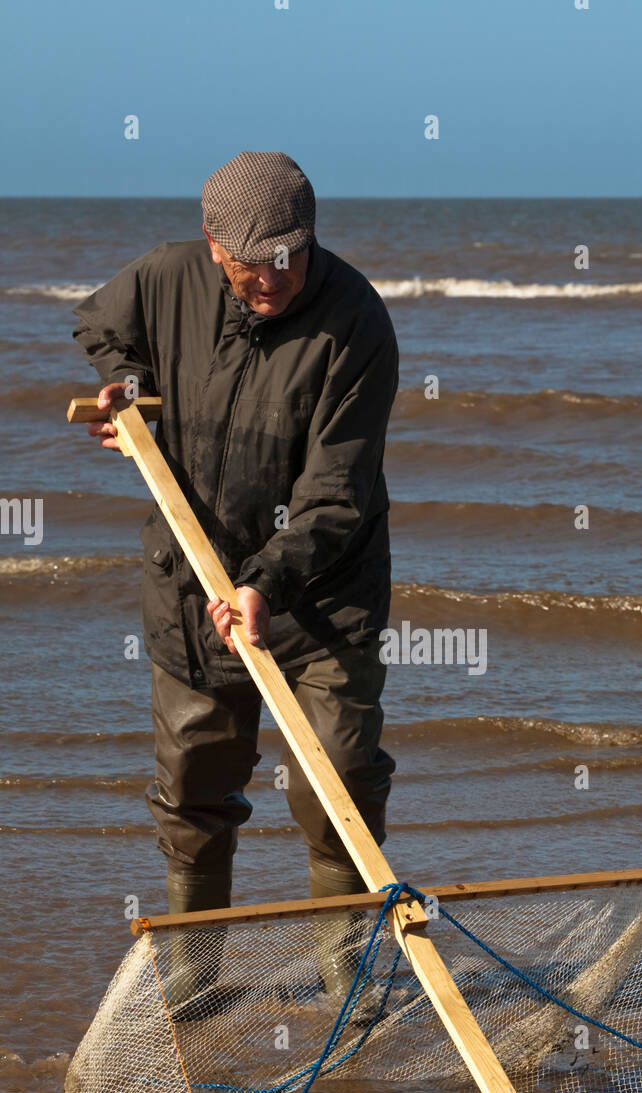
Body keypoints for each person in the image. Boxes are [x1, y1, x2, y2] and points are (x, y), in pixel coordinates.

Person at [73, 151, 398, 1010]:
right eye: (255, 266)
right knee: (193, 790)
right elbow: (99, 325)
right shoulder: (165, 277)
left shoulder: (356, 323)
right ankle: (194, 983)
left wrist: (266, 582)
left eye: (291, 258)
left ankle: (348, 988)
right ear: (214, 248)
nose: (275, 280)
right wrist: (128, 393)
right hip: (191, 582)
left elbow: (337, 492)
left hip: (324, 594)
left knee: (339, 782)